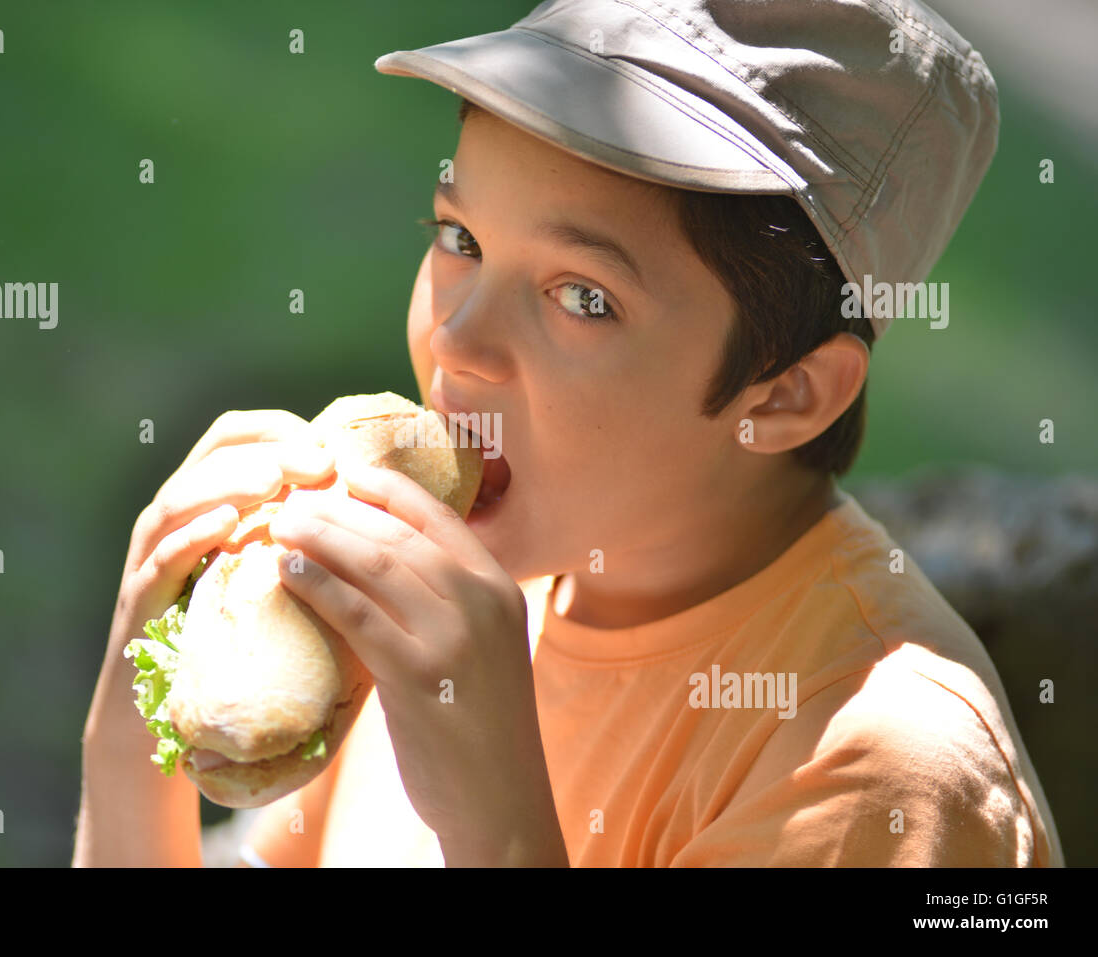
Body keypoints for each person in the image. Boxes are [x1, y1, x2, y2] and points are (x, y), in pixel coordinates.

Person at [72, 0, 1063, 867]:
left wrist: (495, 825)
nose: (458, 343)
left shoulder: (875, 773)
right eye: (460, 239)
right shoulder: (452, 585)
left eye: (582, 297)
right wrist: (130, 742)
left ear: (788, 394)